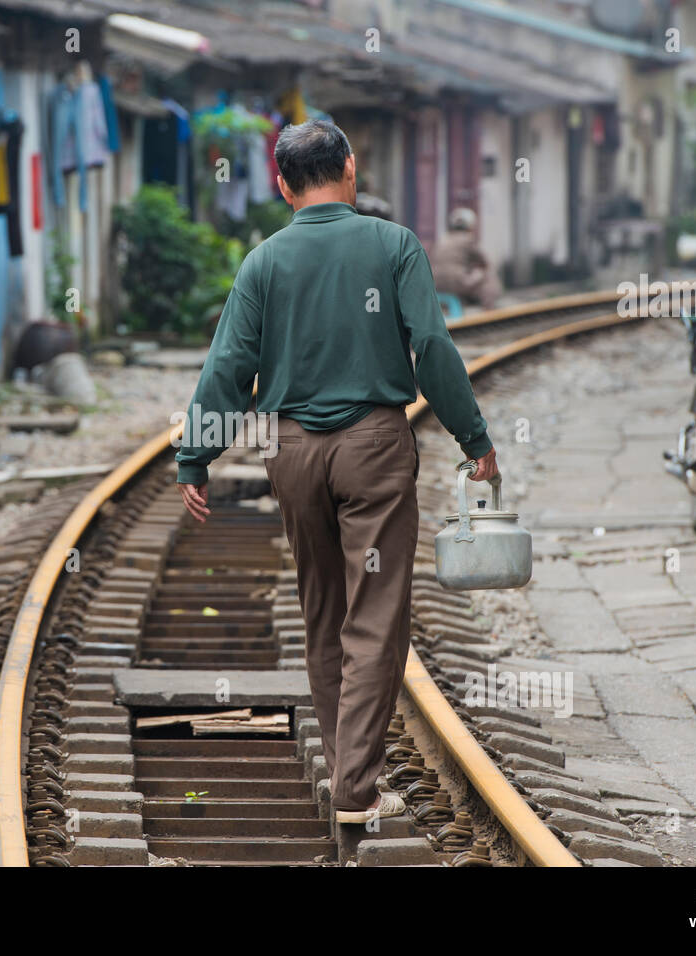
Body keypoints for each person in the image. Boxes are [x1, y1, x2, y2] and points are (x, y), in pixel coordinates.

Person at [174, 119, 497, 824]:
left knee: (323, 612)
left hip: (288, 451)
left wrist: (195, 457)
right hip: (374, 448)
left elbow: (228, 369)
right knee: (375, 617)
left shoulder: (262, 262)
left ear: (284, 185)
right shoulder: (393, 246)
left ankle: (348, 769)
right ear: (349, 171)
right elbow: (434, 349)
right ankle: (355, 784)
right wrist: (474, 437)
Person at [429, 207, 502, 310]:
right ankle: (489, 309)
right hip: (456, 284)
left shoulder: (442, 239)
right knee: (487, 275)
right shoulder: (468, 240)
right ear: (470, 225)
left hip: (436, 285)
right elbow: (484, 262)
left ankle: (463, 304)